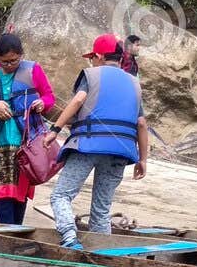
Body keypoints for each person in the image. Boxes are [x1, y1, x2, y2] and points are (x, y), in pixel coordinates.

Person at [45, 34, 148, 248]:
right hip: (121, 151)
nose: (91, 61)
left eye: (93, 57)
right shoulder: (134, 83)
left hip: (88, 145)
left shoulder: (91, 75)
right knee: (101, 209)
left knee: (61, 196)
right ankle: (102, 253)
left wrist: (55, 129)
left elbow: (79, 100)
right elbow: (141, 124)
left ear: (100, 56)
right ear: (120, 58)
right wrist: (143, 160)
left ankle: (70, 237)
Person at [0, 32, 55, 224]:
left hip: (25, 143)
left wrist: (41, 103)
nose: (9, 66)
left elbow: (49, 96)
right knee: (2, 189)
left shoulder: (33, 70)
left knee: (20, 188)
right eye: (4, 62)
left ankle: (16, 229)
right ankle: (7, 229)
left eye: (14, 61)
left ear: (21, 56)